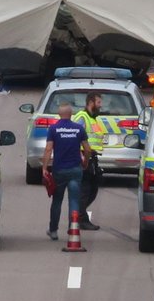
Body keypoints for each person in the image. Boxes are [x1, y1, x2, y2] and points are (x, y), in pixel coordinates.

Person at [44, 100, 90, 241]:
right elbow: (87, 149)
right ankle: (73, 229)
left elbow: (48, 149)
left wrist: (45, 167)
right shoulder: (78, 129)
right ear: (71, 114)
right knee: (74, 200)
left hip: (59, 170)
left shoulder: (53, 129)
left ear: (59, 114)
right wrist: (85, 162)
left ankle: (53, 231)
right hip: (75, 169)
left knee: (57, 201)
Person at [76, 93, 110, 229]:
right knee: (85, 189)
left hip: (92, 157)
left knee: (93, 188)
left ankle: (79, 213)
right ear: (91, 102)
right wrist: (82, 157)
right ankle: (81, 218)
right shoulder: (82, 117)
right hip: (83, 157)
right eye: (98, 102)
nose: (100, 105)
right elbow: (75, 136)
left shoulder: (93, 118)